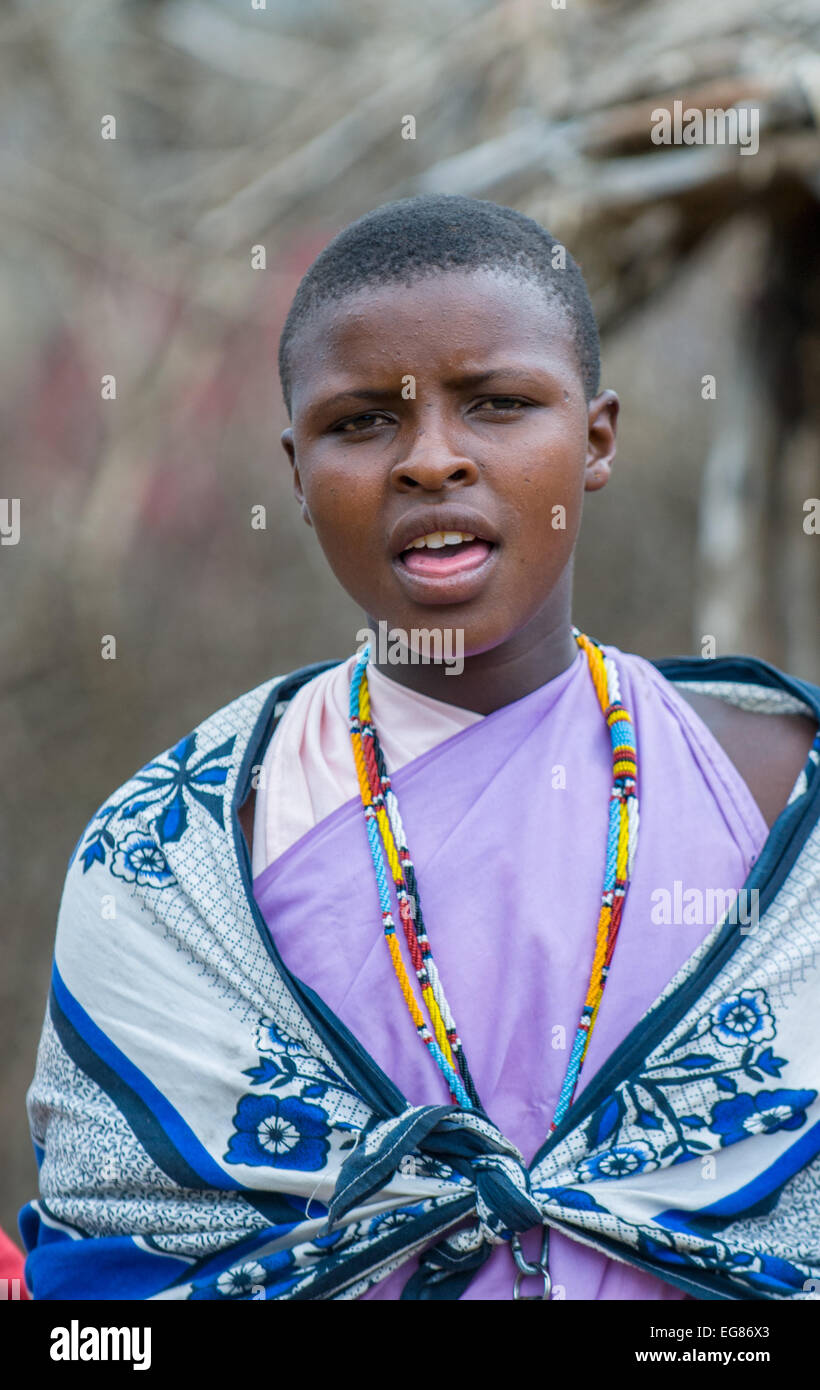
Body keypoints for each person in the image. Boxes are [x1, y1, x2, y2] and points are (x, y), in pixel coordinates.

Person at [20, 197, 820, 1301]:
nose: (431, 460)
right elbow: (117, 1264)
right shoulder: (179, 851)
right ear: (296, 472)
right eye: (361, 423)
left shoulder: (780, 796)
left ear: (594, 438)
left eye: (497, 404)